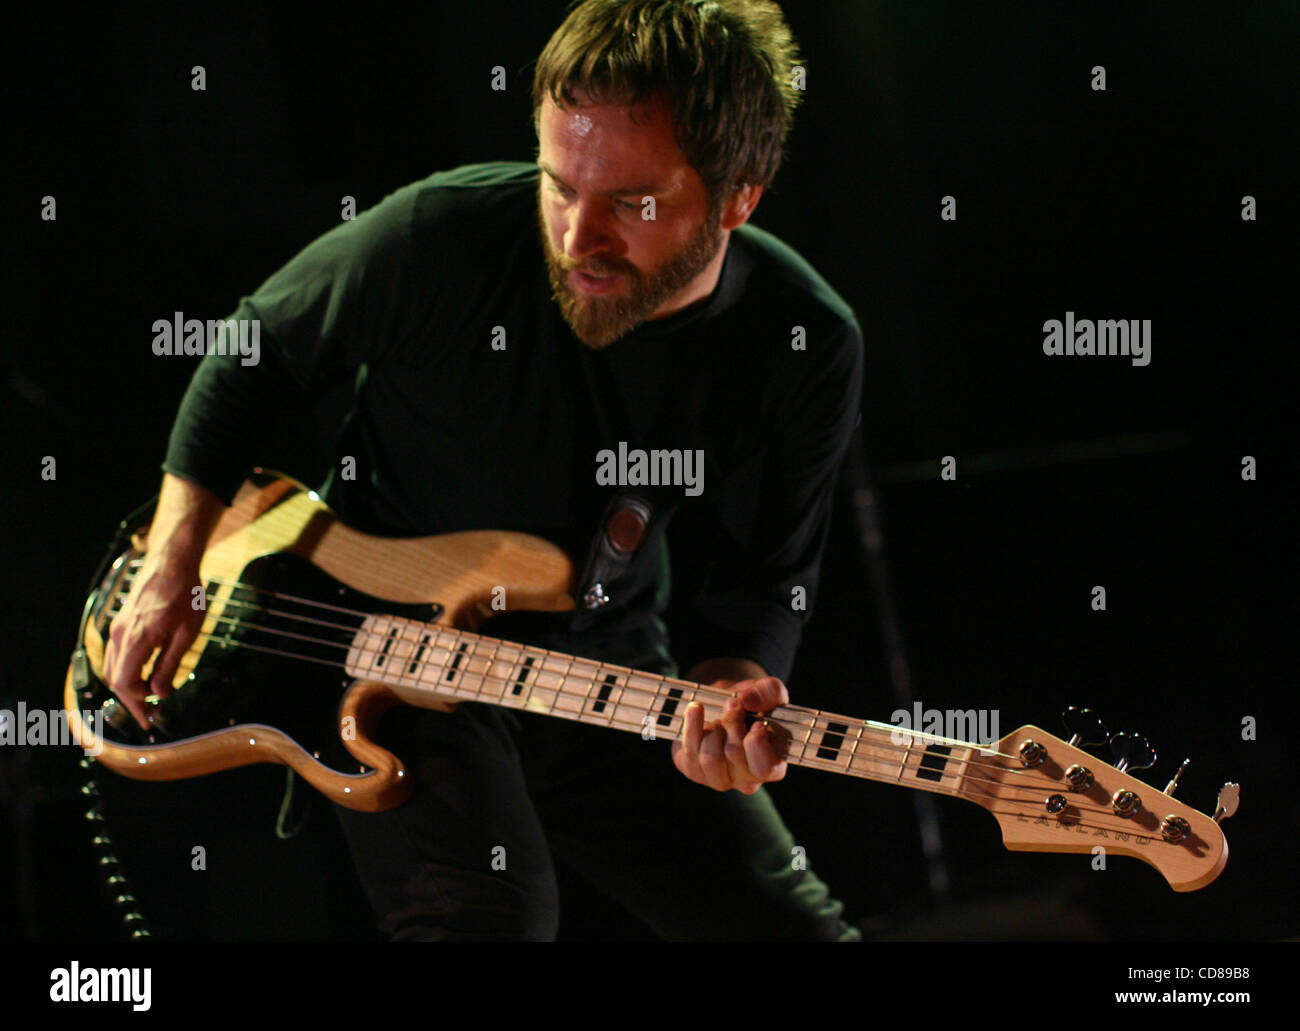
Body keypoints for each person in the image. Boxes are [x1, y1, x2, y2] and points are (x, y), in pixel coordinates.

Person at [102, 0, 865, 940]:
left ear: (740, 195)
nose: (577, 235)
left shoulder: (804, 342)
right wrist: (173, 565)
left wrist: (731, 699)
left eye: (632, 202)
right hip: (382, 647)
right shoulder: (442, 233)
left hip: (599, 663)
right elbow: (254, 350)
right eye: (558, 184)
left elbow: (762, 582)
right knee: (490, 922)